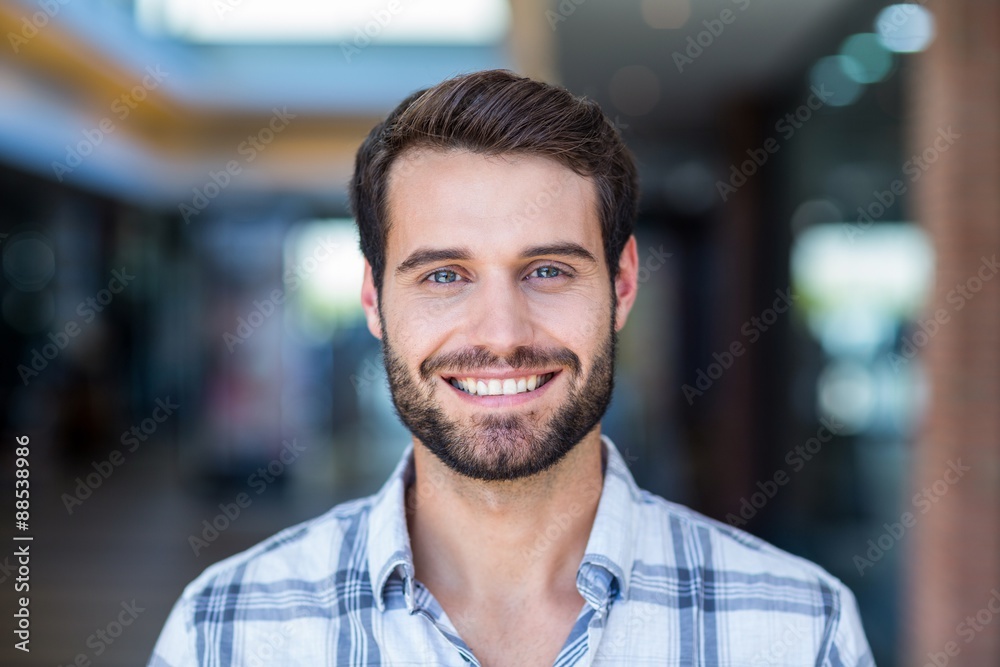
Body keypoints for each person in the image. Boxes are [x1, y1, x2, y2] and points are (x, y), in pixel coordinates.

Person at [148, 69, 874, 666]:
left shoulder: (799, 629)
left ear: (622, 284)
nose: (501, 334)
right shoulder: (224, 631)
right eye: (443, 276)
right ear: (374, 299)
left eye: (549, 269)